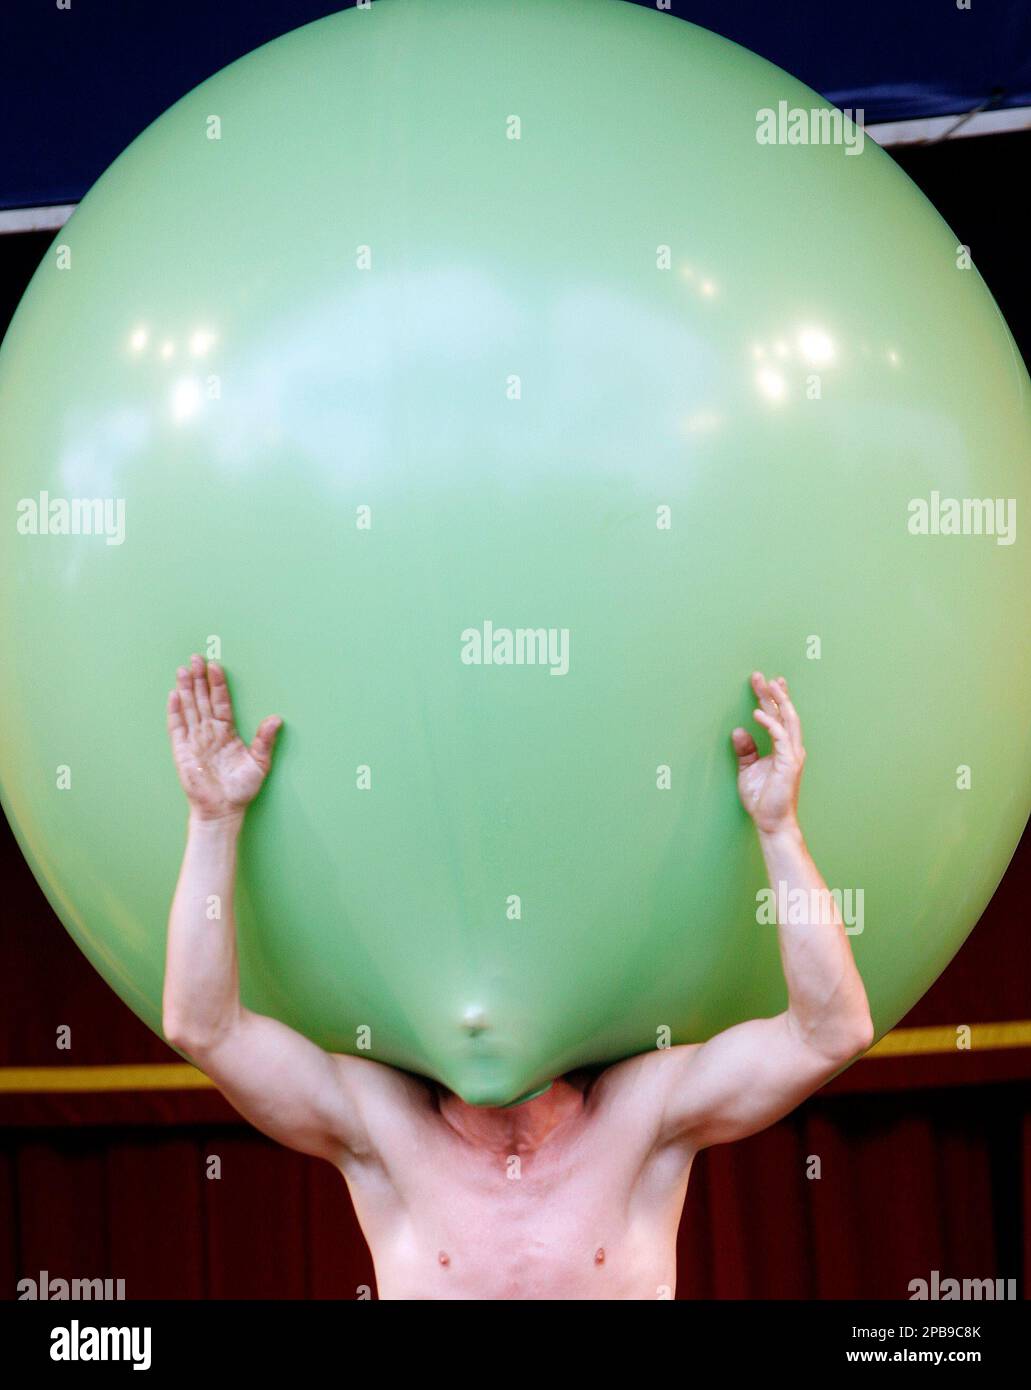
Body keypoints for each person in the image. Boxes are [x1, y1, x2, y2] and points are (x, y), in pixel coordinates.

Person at [163, 655, 873, 1300]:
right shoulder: (383, 1132)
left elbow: (829, 1033)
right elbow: (205, 1028)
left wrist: (778, 831)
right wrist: (214, 818)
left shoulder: (640, 1118)